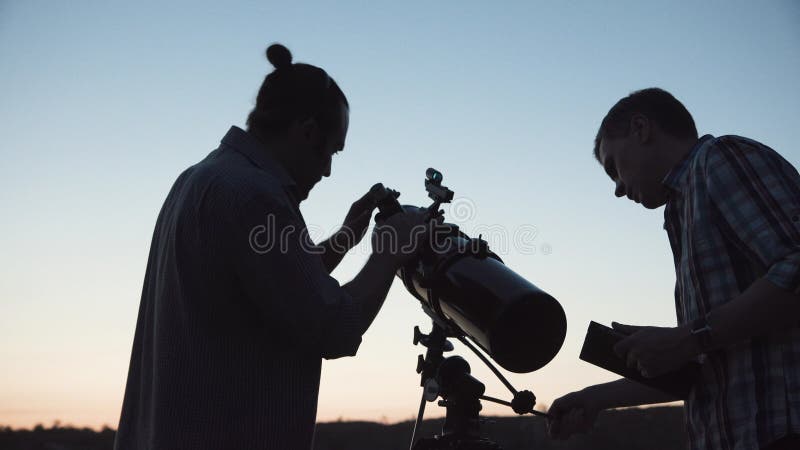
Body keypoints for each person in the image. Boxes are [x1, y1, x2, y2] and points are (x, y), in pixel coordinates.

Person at [113, 44, 429, 450]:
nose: (328, 170)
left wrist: (348, 234)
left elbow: (278, 284)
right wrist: (390, 253)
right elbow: (331, 328)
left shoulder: (203, 178)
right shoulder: (257, 198)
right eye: (331, 151)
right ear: (308, 131)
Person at [547, 88, 800, 450]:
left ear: (641, 128)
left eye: (614, 167)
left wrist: (688, 337)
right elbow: (708, 360)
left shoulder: (720, 158)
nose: (618, 189)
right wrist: (596, 398)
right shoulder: (679, 211)